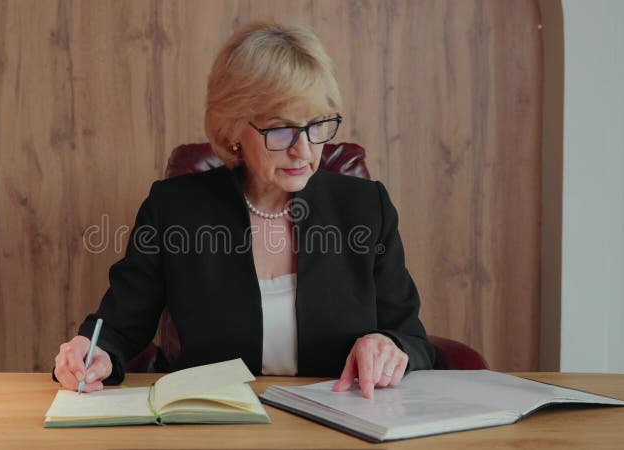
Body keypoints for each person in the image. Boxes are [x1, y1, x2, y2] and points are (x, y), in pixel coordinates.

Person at [53, 22, 434, 399]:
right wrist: (94, 351)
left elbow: (411, 337)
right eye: (282, 130)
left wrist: (387, 344)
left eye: (317, 125)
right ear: (234, 129)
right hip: (215, 424)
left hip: (340, 422)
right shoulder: (175, 209)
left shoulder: (366, 208)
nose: (304, 150)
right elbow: (119, 327)